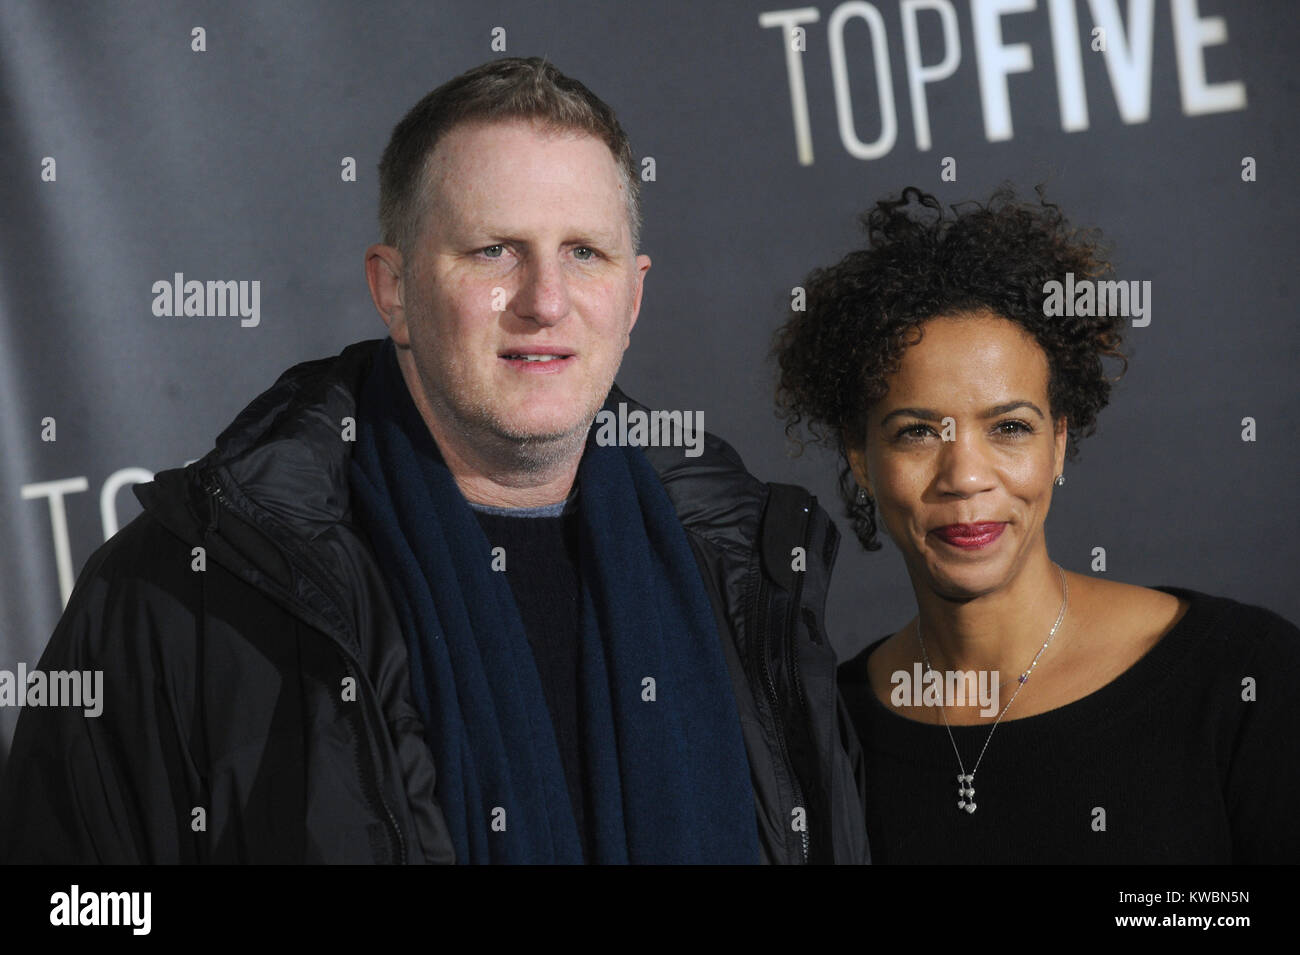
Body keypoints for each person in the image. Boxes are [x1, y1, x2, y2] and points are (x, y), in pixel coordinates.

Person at [0, 57, 868, 864]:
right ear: (393, 288)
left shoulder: (745, 571)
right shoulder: (183, 589)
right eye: (493, 251)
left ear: (634, 294)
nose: (545, 301)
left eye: (584, 253)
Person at [772, 186, 1300, 864]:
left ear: (1057, 443)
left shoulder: (1244, 679)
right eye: (916, 432)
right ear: (860, 457)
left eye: (1009, 427)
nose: (965, 475)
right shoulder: (829, 736)